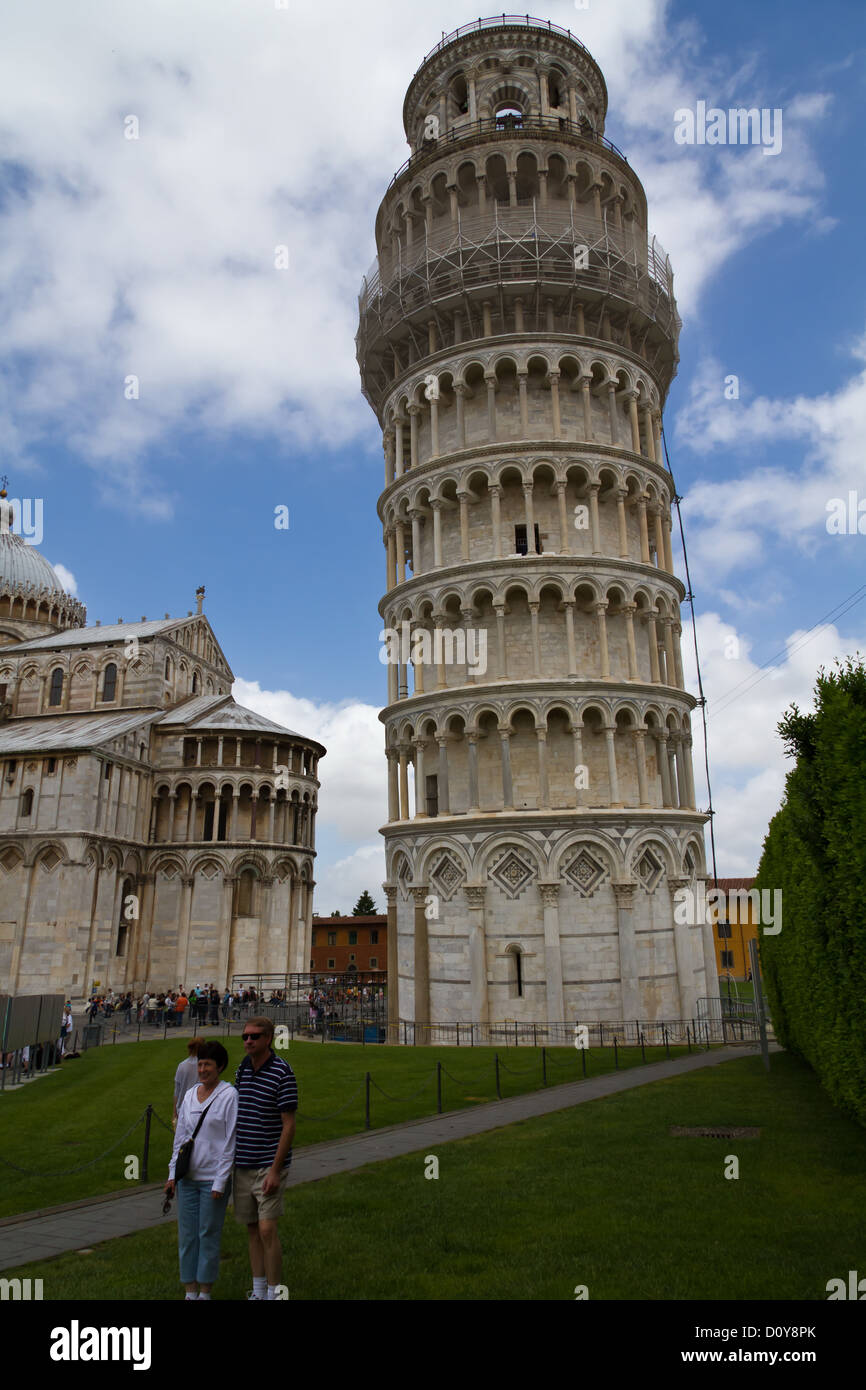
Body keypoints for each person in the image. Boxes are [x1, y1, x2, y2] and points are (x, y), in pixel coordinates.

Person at [165, 1040, 237, 1301]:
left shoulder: (229, 1095)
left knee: (208, 1233)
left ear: (220, 1067)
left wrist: (220, 1181)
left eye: (208, 1064)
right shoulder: (190, 1095)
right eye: (201, 1064)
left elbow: (230, 1141)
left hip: (212, 1179)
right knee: (187, 1236)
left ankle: (205, 1290)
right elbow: (181, 1138)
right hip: (188, 1178)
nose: (203, 1069)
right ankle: (190, 1290)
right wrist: (173, 1174)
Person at [233, 1016, 298, 1301]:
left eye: (255, 1036)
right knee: (252, 1229)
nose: (248, 1041)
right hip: (243, 1162)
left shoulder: (283, 1072)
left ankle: (274, 1293)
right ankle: (258, 1292)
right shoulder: (242, 1070)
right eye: (245, 1036)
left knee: (267, 1229)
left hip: (269, 1164)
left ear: (268, 1038)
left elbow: (289, 1124)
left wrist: (275, 1169)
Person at [173, 1039, 203, 1127]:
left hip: (183, 1108)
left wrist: (174, 1113)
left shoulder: (182, 1065)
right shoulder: (203, 1066)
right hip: (197, 1109)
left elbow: (176, 1092)